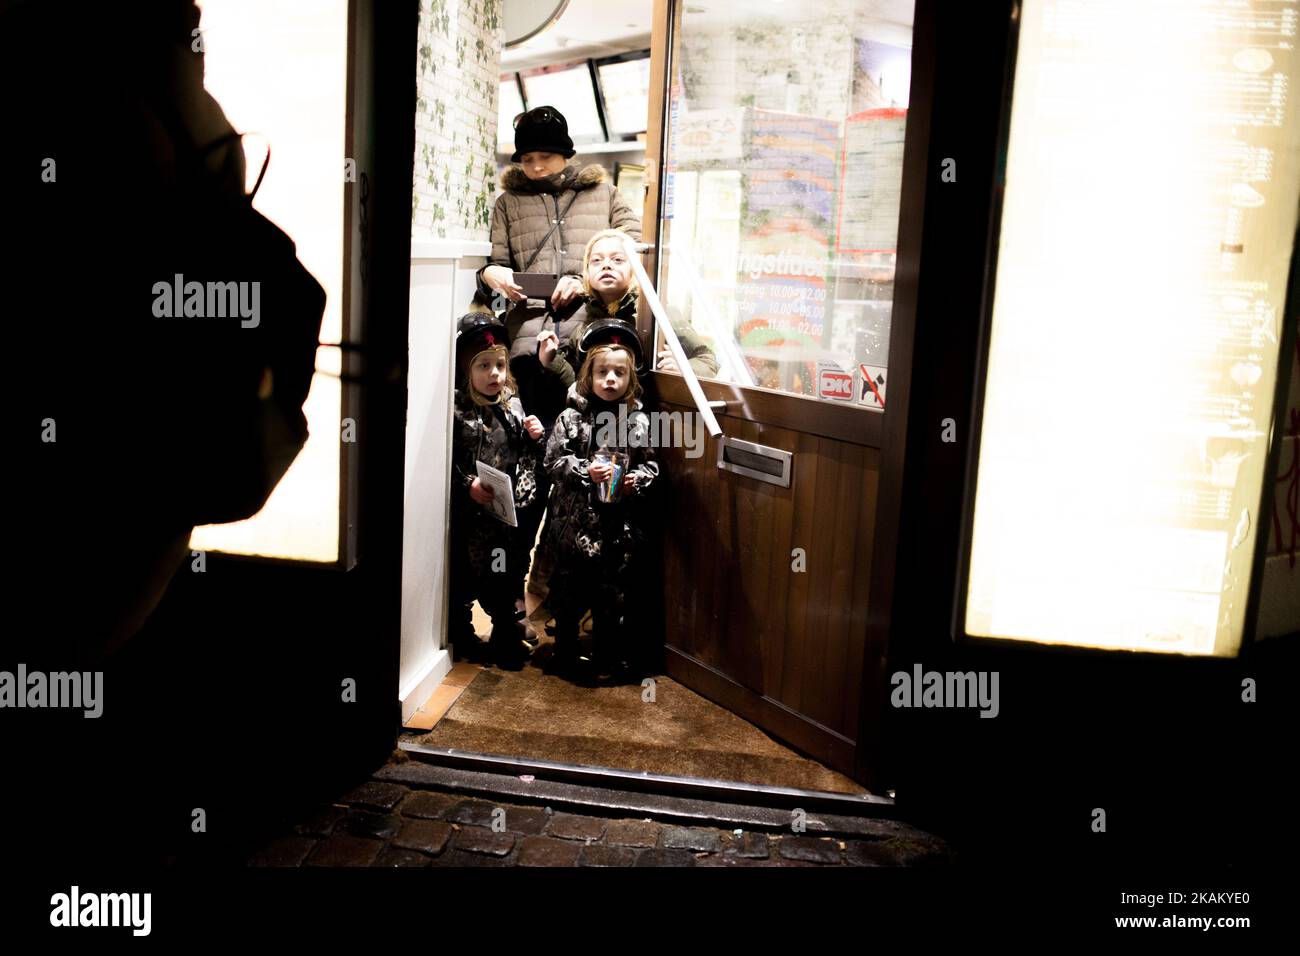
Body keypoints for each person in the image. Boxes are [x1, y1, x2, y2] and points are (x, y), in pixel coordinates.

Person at [475, 105, 643, 634]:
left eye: (545, 155)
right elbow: (491, 263)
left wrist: (582, 278)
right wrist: (494, 273)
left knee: (588, 488)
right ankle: (510, 605)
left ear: (566, 152)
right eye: (526, 157)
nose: (536, 166)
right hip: (527, 356)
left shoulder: (604, 194)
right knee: (525, 483)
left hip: (588, 360)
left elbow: (631, 249)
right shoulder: (507, 201)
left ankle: (579, 607)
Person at [541, 320, 660, 682]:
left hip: (614, 530)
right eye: (602, 371)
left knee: (610, 596)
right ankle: (564, 648)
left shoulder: (637, 421)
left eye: (619, 373)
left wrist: (636, 480)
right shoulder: (571, 417)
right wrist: (583, 472)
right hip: (572, 527)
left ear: (630, 378)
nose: (610, 379)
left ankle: (606, 652)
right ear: (587, 374)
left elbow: (651, 464)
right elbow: (552, 462)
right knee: (567, 593)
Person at [449, 313, 546, 669]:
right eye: (484, 366)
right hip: (473, 516)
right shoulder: (460, 411)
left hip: (507, 515)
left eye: (500, 365)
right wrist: (466, 485)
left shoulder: (512, 404)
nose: (495, 374)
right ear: (466, 370)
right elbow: (448, 462)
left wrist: (534, 437)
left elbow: (524, 454)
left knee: (504, 577)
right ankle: (461, 634)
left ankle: (506, 634)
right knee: (465, 579)